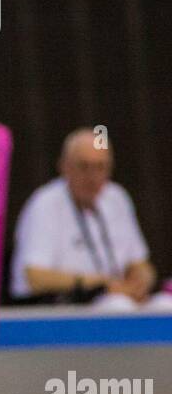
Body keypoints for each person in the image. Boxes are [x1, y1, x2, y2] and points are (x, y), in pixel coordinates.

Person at [9, 128, 171, 310]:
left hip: (113, 295)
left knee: (166, 305)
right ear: (64, 167)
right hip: (62, 303)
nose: (92, 177)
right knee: (118, 307)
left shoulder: (116, 198)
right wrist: (99, 283)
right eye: (84, 167)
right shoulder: (45, 203)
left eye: (100, 167)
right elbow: (34, 277)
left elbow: (139, 262)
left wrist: (140, 280)